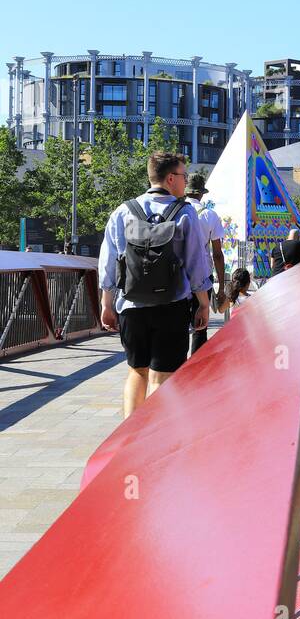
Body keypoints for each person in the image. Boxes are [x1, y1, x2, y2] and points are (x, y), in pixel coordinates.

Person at [99, 151, 211, 419]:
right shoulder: (184, 213)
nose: (185, 182)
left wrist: (107, 303)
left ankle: (129, 436)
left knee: (137, 371)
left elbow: (109, 261)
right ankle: (156, 439)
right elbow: (195, 262)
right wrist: (204, 303)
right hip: (171, 306)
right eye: (183, 176)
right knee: (163, 376)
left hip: (132, 305)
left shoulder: (123, 211)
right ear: (170, 178)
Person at [185, 173, 226, 354]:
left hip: (179, 272)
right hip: (203, 273)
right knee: (200, 322)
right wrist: (222, 286)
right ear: (202, 194)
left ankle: (176, 366)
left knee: (178, 320)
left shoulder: (176, 210)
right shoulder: (210, 215)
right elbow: (217, 254)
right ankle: (196, 364)